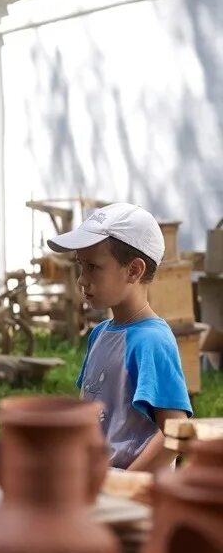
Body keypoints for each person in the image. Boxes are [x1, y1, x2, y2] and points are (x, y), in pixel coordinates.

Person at [47, 202, 192, 471]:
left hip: (133, 501)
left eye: (92, 267)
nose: (81, 279)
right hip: (98, 488)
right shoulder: (100, 333)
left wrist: (127, 483)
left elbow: (176, 432)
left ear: (134, 270)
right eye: (81, 266)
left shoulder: (151, 341)